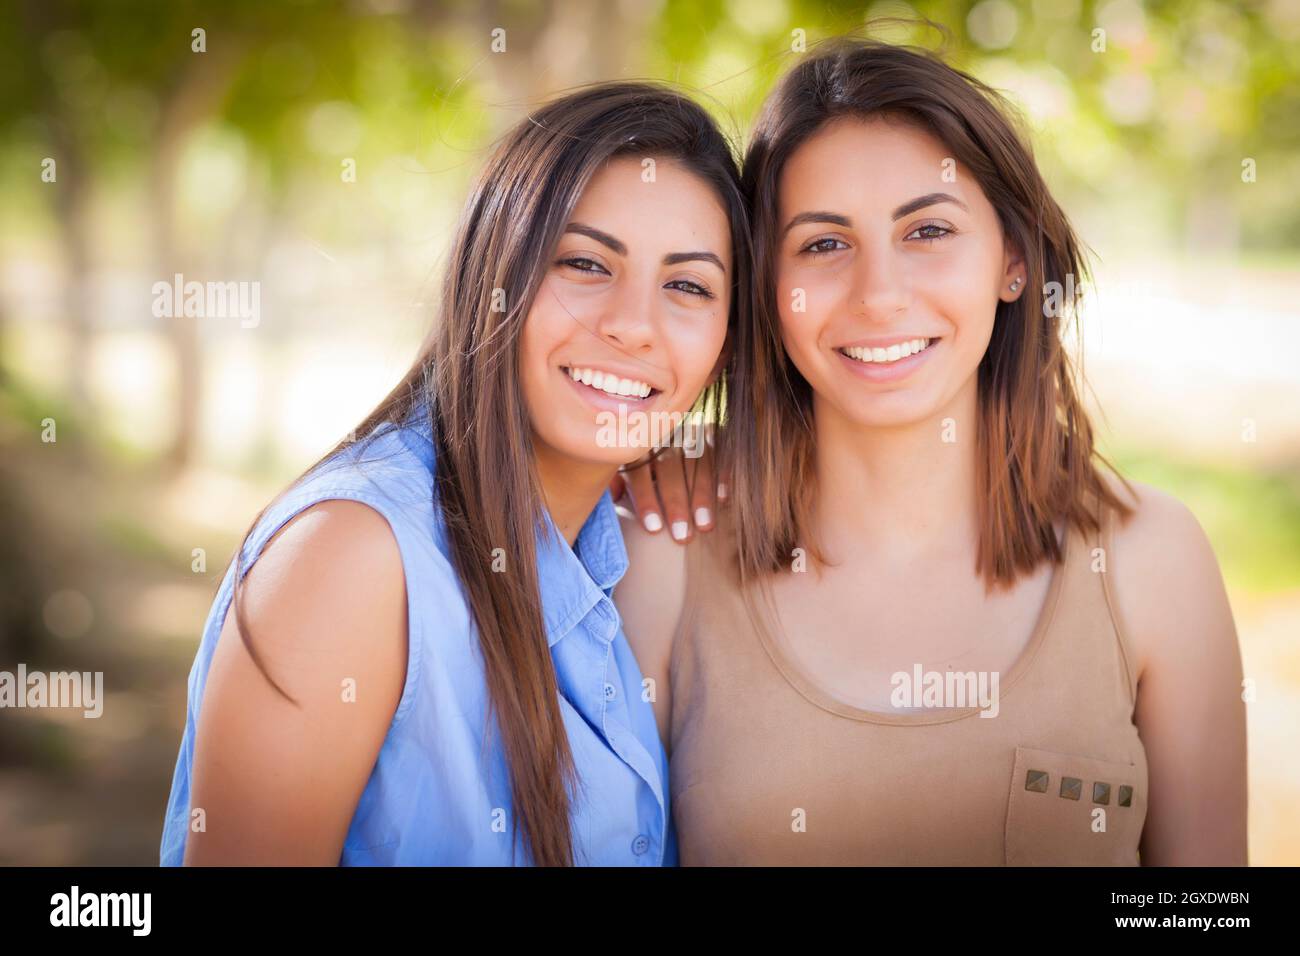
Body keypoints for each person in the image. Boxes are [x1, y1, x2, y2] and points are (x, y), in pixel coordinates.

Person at [615, 38, 1246, 865]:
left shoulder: (1152, 561)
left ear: (1013, 260)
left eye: (929, 230)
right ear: (770, 288)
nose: (880, 295)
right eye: (824, 244)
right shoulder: (661, 551)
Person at [160, 81, 748, 865]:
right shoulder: (354, 558)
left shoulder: (620, 544)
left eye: (686, 285)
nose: (633, 325)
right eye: (583, 262)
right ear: (492, 274)